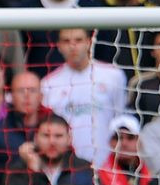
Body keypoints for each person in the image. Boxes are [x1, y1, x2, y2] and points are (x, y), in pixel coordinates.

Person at [40, 27, 127, 167]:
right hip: (69, 167)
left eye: (78, 40)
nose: (73, 46)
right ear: (59, 46)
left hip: (109, 164)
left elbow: (120, 119)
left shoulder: (114, 76)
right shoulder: (48, 84)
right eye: (66, 41)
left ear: (89, 42)